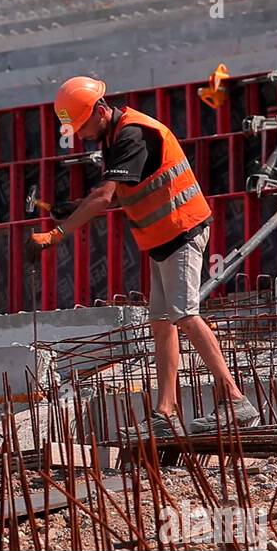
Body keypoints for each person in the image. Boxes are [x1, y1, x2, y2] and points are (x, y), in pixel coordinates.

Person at [28, 76, 259, 437]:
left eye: (82, 124)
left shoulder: (132, 135)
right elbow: (119, 194)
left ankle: (235, 399)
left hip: (182, 231)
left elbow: (105, 198)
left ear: (100, 111)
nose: (81, 134)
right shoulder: (112, 137)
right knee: (162, 322)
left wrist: (59, 233)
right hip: (162, 239)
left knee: (184, 314)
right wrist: (75, 207)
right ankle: (165, 413)